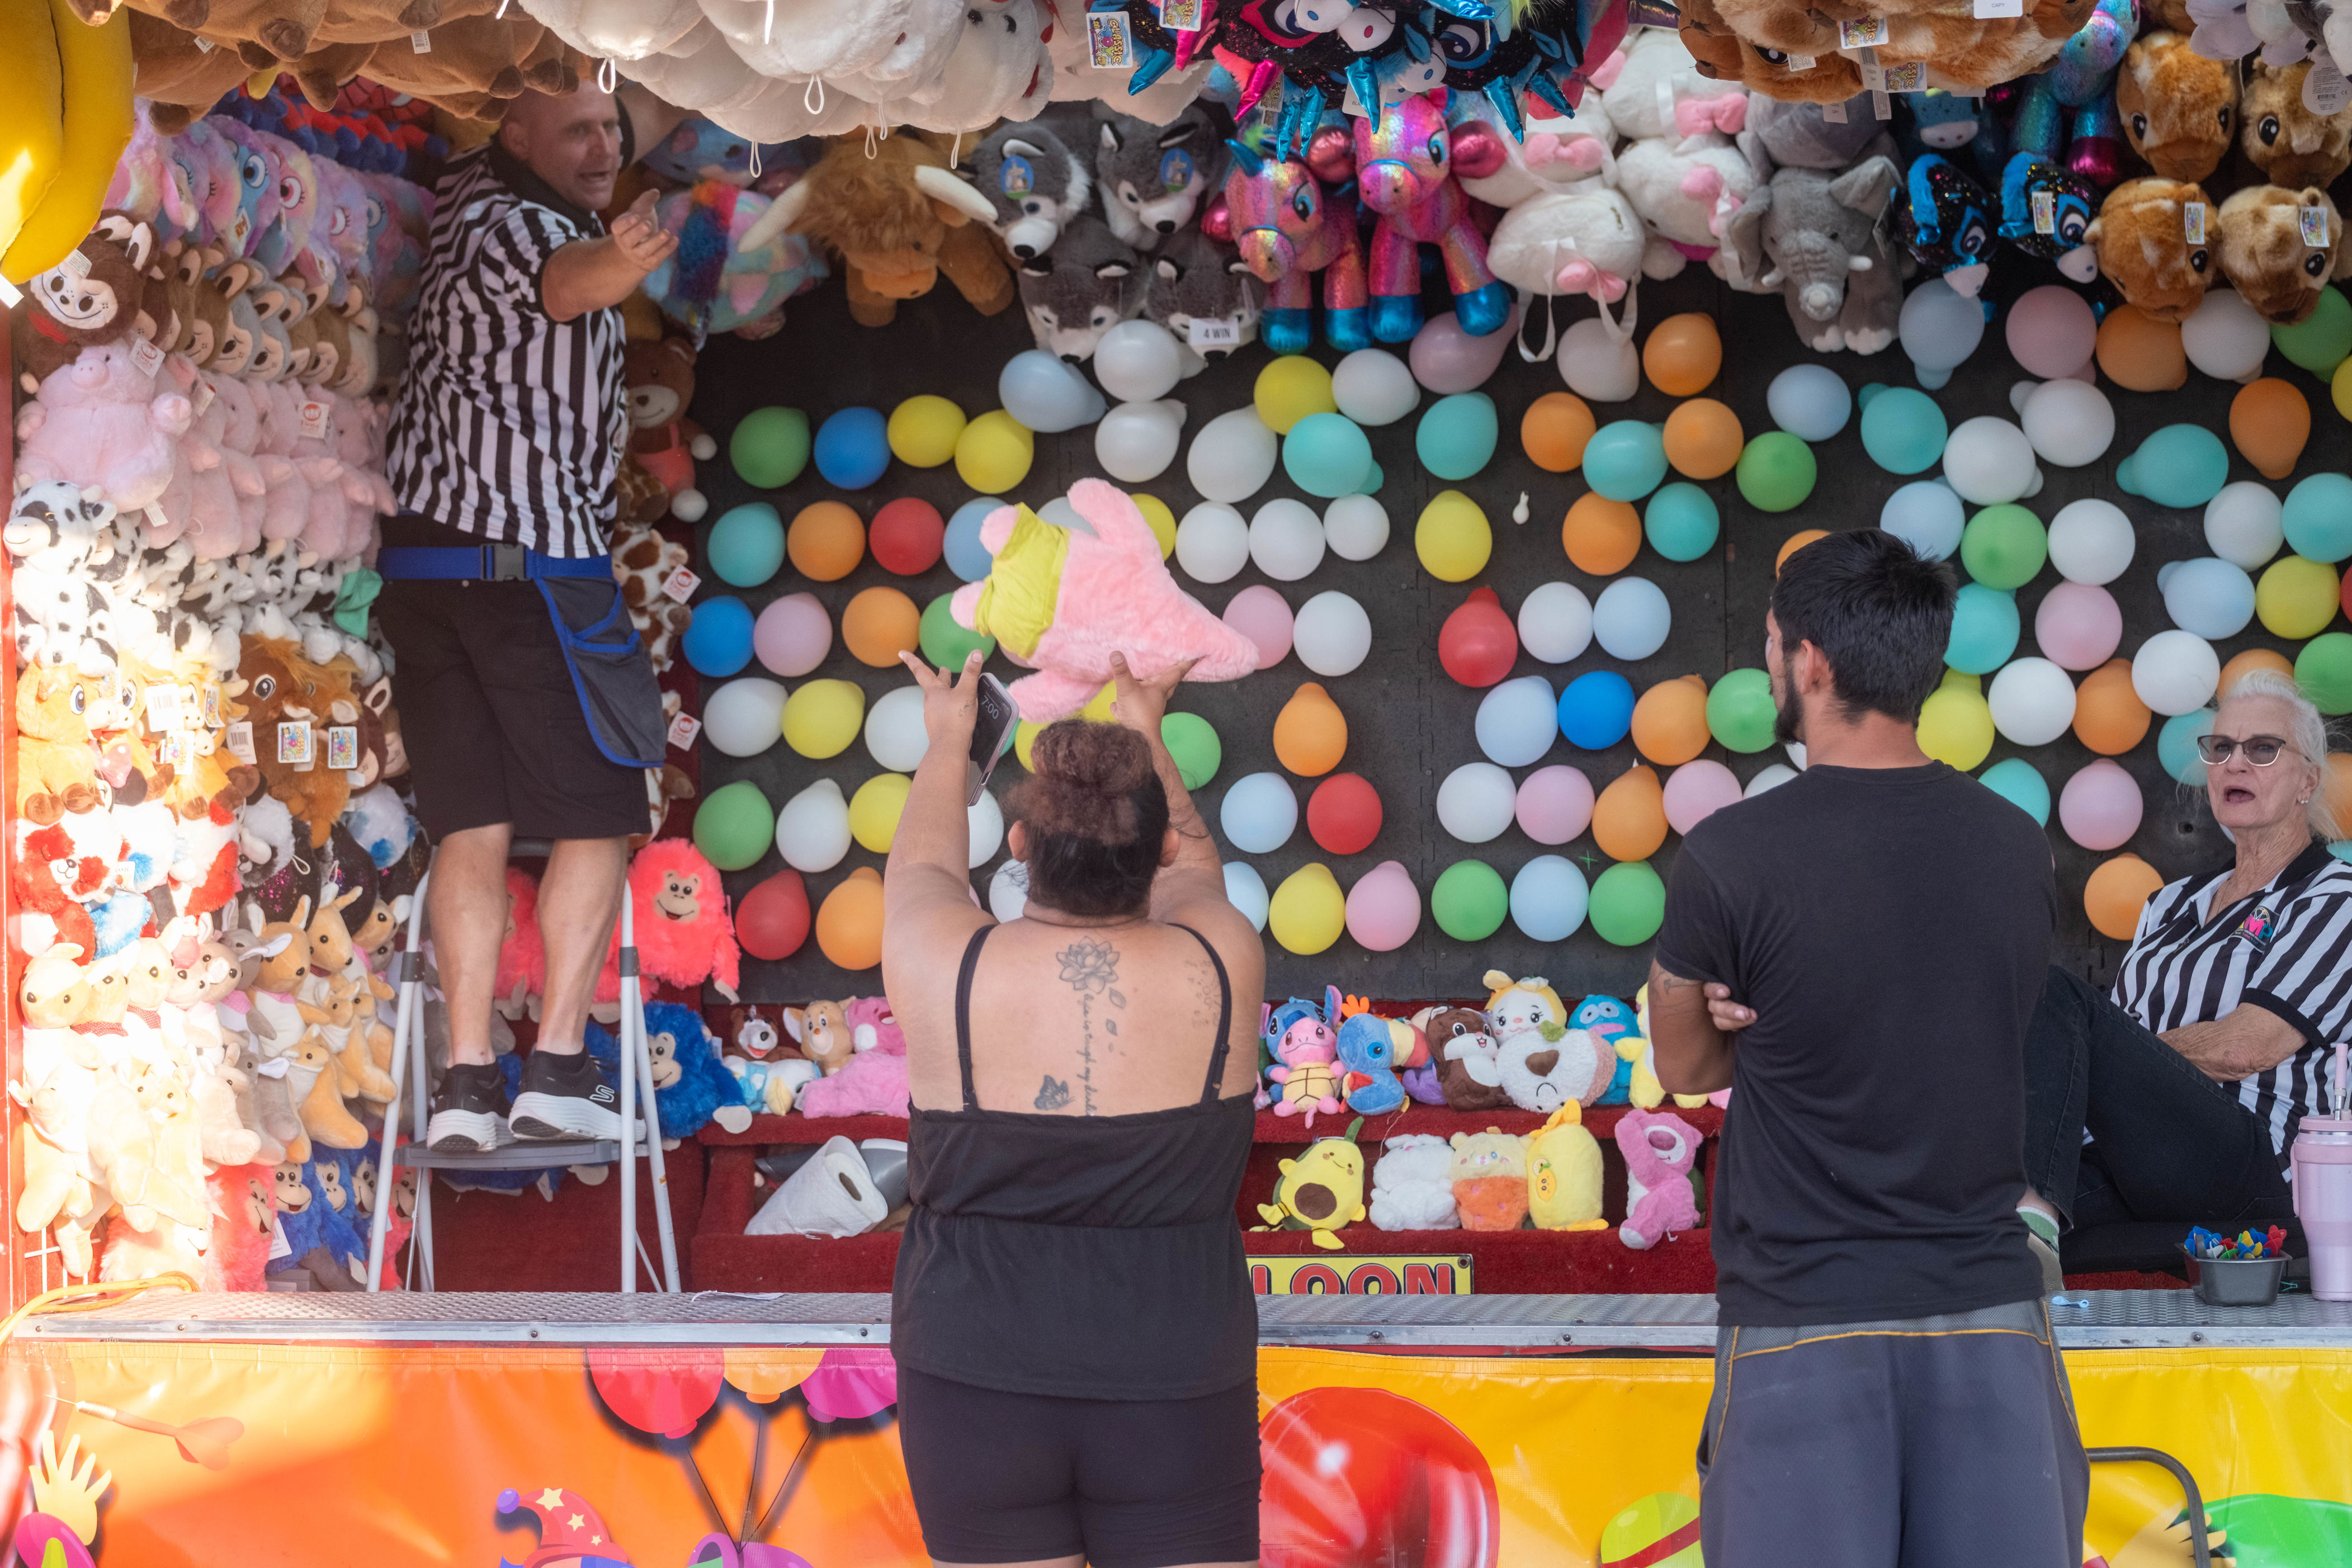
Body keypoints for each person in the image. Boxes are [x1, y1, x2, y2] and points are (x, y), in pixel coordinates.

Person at [1647, 530, 2086, 1568]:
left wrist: (1718, 1009)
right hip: (1991, 1313)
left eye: (1768, 641)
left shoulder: (1728, 855)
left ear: (1811, 663)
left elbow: (1687, 1069)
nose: (1767, 663)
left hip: (1804, 1321)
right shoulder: (2016, 845)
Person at [882, 648, 1265, 1568]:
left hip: (973, 1378)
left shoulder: (946, 963)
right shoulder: (1220, 955)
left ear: (1018, 848)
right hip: (1176, 1378)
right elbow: (1196, 867)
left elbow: (924, 861)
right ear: (1159, 844)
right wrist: (1146, 727)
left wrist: (948, 741)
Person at [376, 84, 679, 1152]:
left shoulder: (466, 190)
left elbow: (618, 112)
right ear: (516, 133)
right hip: (530, 569)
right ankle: (554, 1065)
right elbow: (566, 283)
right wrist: (629, 262)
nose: (605, 149)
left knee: (472, 821)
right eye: (579, 133)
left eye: (613, 132)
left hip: (423, 572)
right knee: (603, 806)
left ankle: (466, 1080)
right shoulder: (527, 230)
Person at [2019, 669, 2351, 1250]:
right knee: (1988, 1230)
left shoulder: (2335, 898)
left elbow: (2243, 1047)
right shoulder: (2169, 904)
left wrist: (2094, 1065)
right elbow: (2121, 1045)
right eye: (2221, 748)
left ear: (2307, 781)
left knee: (2060, 998)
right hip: (2141, 1158)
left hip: (2256, 1169)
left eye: (2263, 748)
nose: (2235, 763)